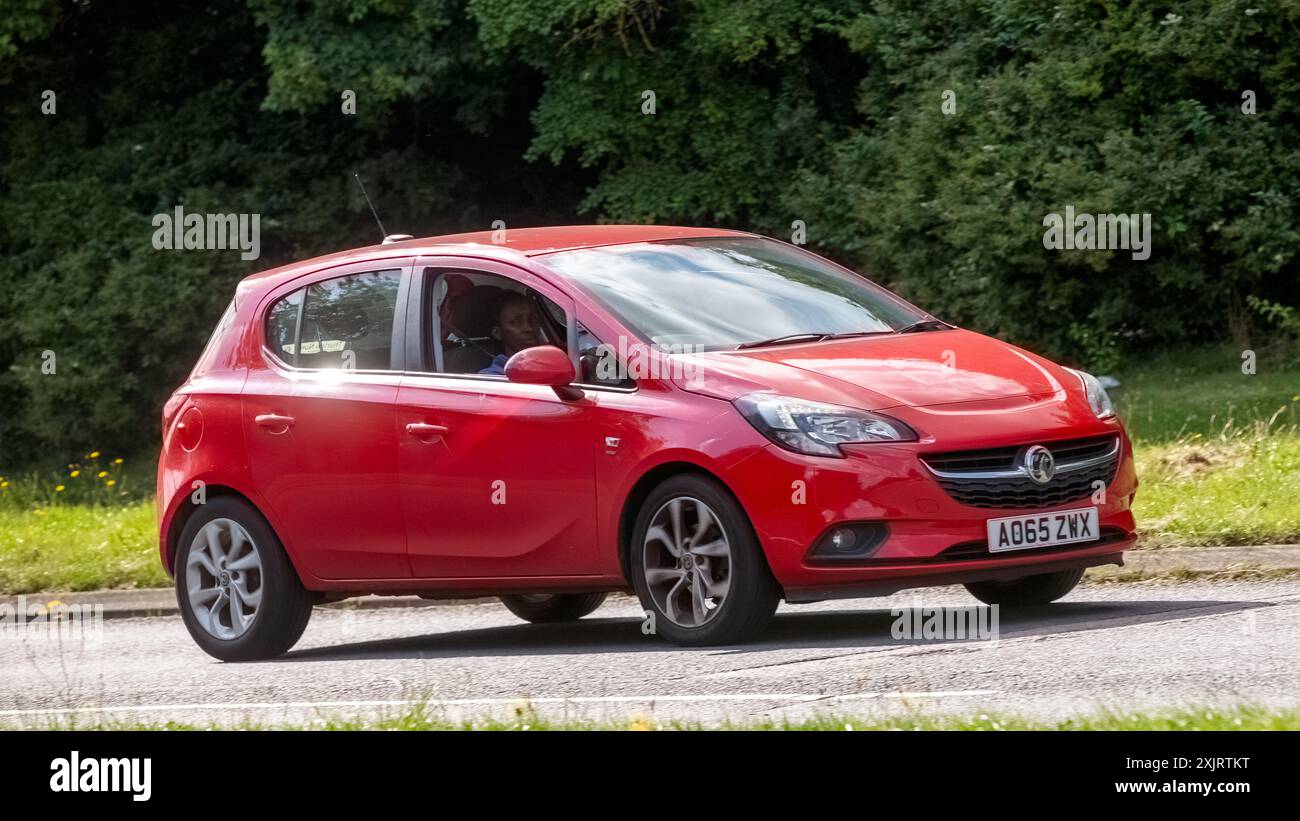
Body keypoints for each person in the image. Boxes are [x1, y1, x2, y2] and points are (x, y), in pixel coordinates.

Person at [479, 291, 546, 375]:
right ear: (497, 332)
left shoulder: (551, 359)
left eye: (533, 320)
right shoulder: (493, 377)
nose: (529, 328)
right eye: (515, 322)